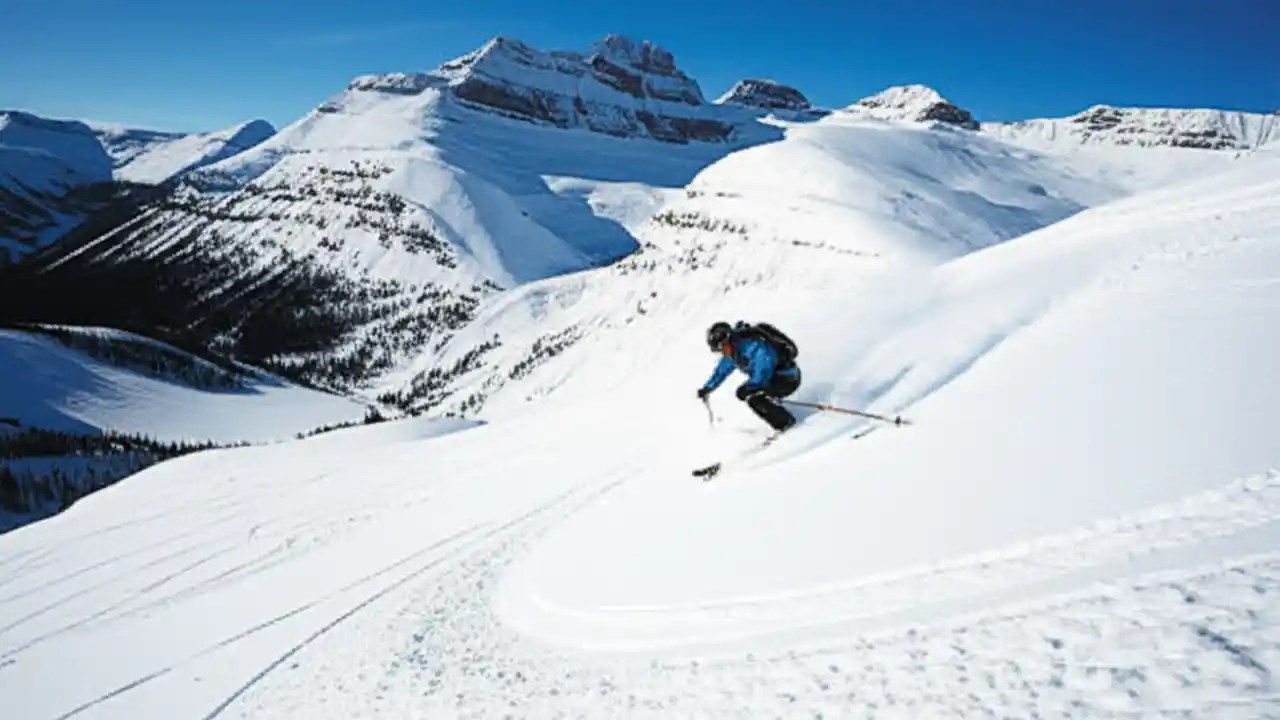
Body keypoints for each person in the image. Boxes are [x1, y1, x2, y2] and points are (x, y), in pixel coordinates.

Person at [696, 321, 801, 432]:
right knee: (752, 395)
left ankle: (786, 424)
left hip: (787, 379)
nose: (721, 352)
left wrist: (749, 387)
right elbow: (721, 372)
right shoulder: (732, 352)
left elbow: (764, 369)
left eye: (721, 348)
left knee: (754, 398)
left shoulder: (753, 346)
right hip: (772, 379)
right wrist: (707, 388)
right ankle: (780, 415)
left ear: (727, 341)